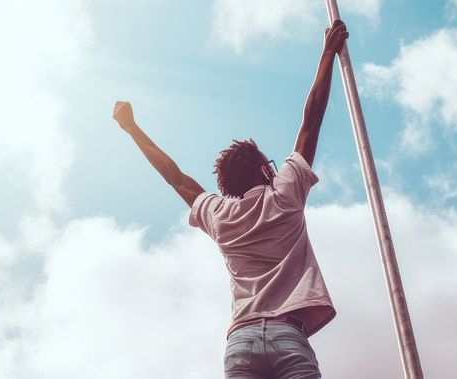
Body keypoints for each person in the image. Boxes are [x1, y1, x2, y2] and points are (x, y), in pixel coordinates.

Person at [112, 19, 349, 378]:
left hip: (240, 343)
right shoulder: (284, 194)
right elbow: (310, 122)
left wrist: (132, 128)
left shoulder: (219, 215)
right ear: (264, 171)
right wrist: (328, 52)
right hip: (288, 334)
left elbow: (174, 176)